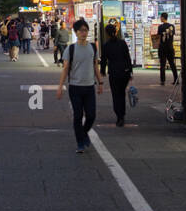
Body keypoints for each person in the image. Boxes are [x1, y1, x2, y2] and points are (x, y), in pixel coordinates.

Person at [56, 18, 103, 152]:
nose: (84, 33)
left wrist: (100, 82)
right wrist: (60, 87)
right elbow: (65, 69)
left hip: (89, 87)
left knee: (91, 115)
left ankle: (83, 133)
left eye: (86, 30)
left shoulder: (93, 47)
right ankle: (80, 143)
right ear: (76, 33)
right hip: (75, 87)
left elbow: (95, 67)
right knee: (77, 116)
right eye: (81, 30)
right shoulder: (70, 49)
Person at [100, 21, 134, 127]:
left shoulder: (106, 45)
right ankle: (122, 115)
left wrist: (102, 71)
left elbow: (104, 60)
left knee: (115, 95)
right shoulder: (122, 43)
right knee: (122, 93)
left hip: (114, 72)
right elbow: (127, 57)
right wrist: (130, 71)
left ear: (107, 33)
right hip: (124, 72)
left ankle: (119, 116)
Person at [157, 11, 178, 86]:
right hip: (170, 47)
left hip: (162, 48)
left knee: (162, 65)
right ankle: (176, 79)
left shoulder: (160, 27)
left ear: (162, 18)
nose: (160, 19)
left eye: (160, 17)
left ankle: (162, 81)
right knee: (172, 64)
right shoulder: (172, 26)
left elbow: (159, 38)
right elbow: (172, 36)